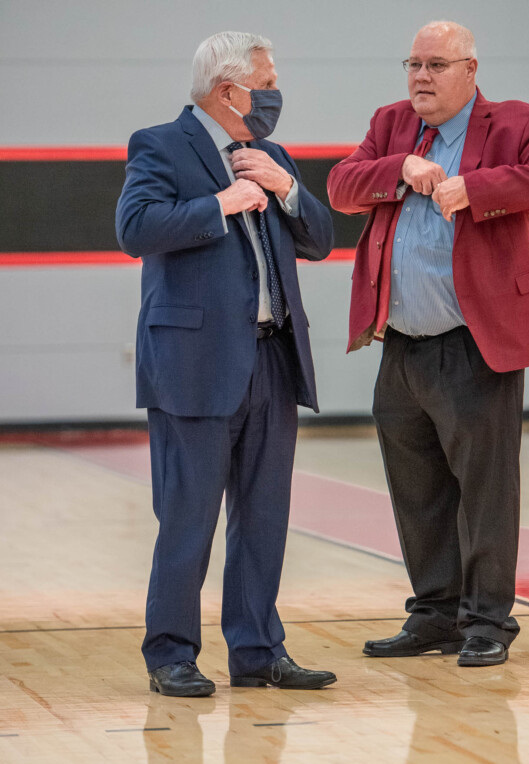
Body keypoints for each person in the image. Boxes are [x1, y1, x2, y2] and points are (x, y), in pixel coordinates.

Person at [327, 21, 529, 668]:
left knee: (485, 489)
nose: (420, 76)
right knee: (417, 490)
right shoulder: (391, 125)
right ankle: (435, 614)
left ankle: (488, 621)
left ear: (470, 70)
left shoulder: (514, 123)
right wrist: (400, 166)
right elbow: (341, 187)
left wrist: (480, 189)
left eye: (436, 64)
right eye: (412, 62)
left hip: (476, 344)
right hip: (401, 346)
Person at [116, 31, 337, 696]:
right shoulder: (159, 144)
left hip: (271, 358)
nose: (274, 94)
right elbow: (136, 228)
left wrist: (288, 190)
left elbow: (320, 240)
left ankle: (259, 650)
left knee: (265, 515)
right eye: (266, 81)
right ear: (228, 90)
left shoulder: (270, 153)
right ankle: (172, 654)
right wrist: (221, 203)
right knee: (189, 517)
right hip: (194, 363)